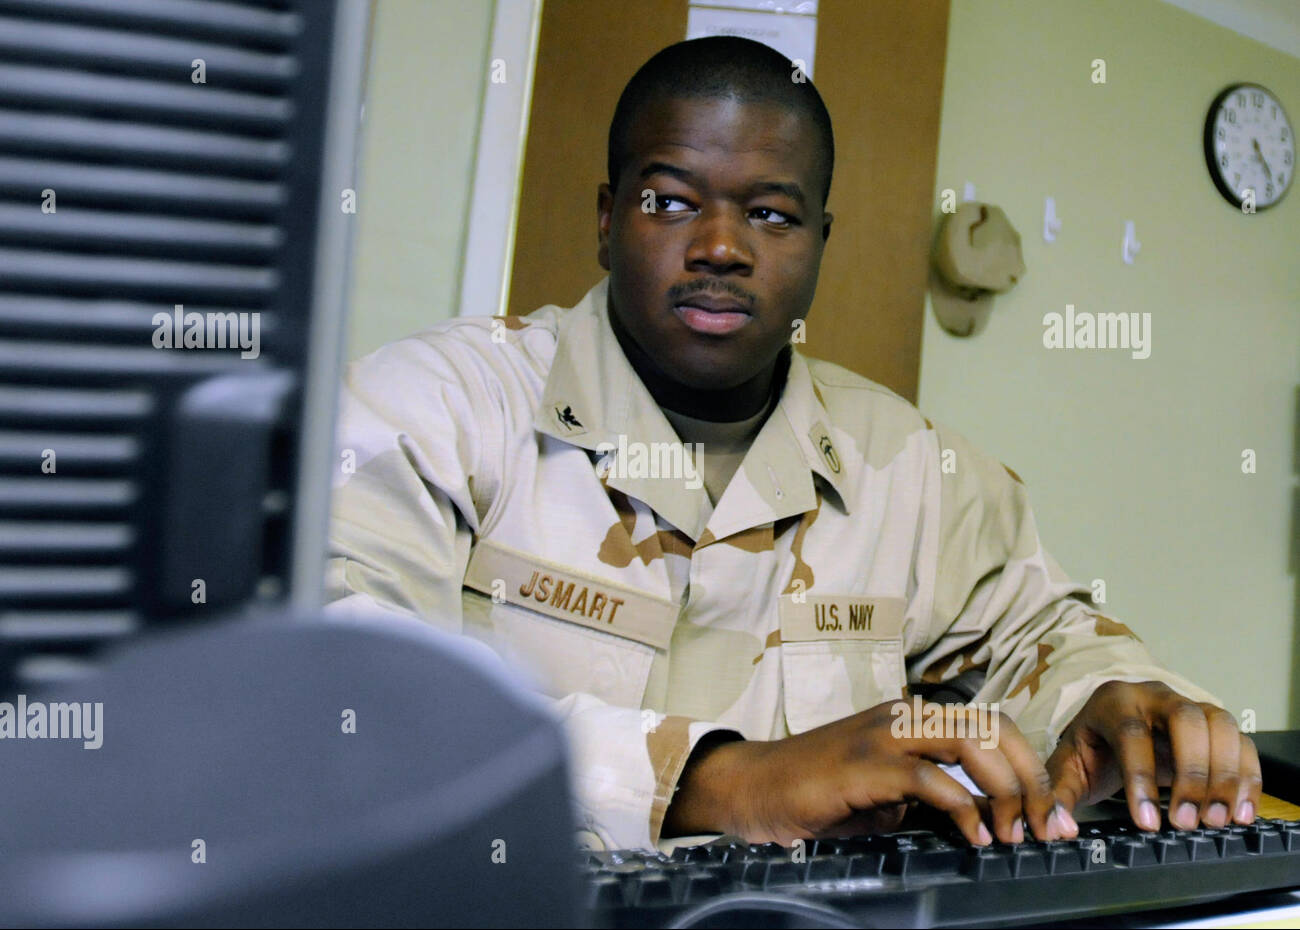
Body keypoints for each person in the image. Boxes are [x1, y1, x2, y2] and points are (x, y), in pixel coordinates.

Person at [326, 36, 1260, 852]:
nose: (722, 247)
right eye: (670, 201)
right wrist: (719, 782)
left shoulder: (911, 467)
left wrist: (1113, 695)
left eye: (771, 214)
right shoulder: (438, 405)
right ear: (607, 219)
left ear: (820, 240)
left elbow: (1044, 632)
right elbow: (329, 689)